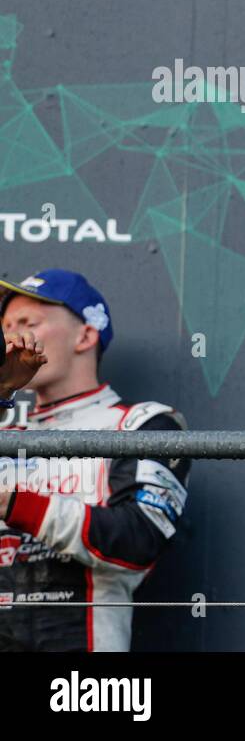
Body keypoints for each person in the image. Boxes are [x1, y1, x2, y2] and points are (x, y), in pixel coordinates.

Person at [0, 270, 190, 652]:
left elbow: (138, 541)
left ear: (85, 336)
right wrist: (2, 386)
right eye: (5, 325)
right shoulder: (7, 430)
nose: (11, 335)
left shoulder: (142, 423)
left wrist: (15, 503)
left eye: (27, 322)